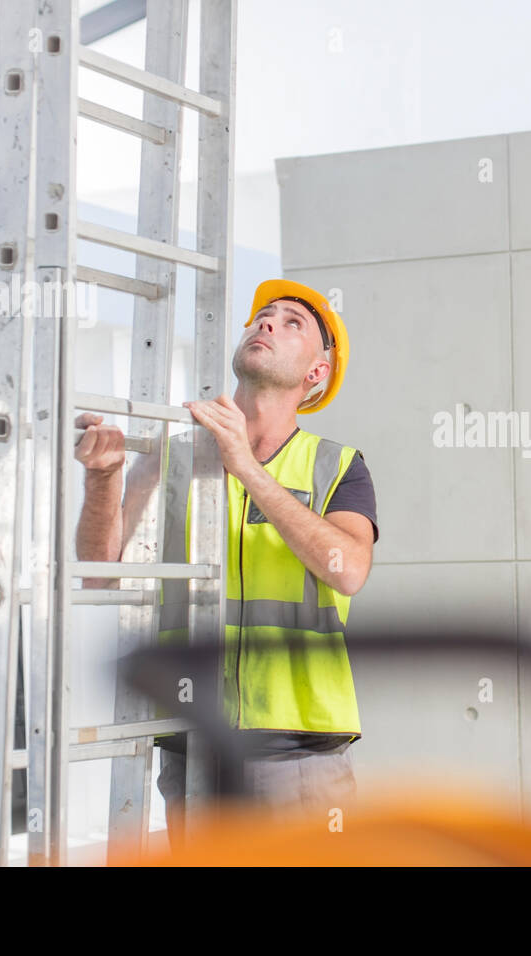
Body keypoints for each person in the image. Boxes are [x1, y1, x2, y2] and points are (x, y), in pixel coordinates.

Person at [73, 279, 378, 848]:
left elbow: (348, 568)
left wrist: (248, 468)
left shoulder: (335, 465)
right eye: (264, 315)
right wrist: (103, 478)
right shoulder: (172, 458)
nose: (266, 323)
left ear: (317, 372)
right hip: (193, 744)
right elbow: (99, 571)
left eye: (293, 323)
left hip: (299, 750)